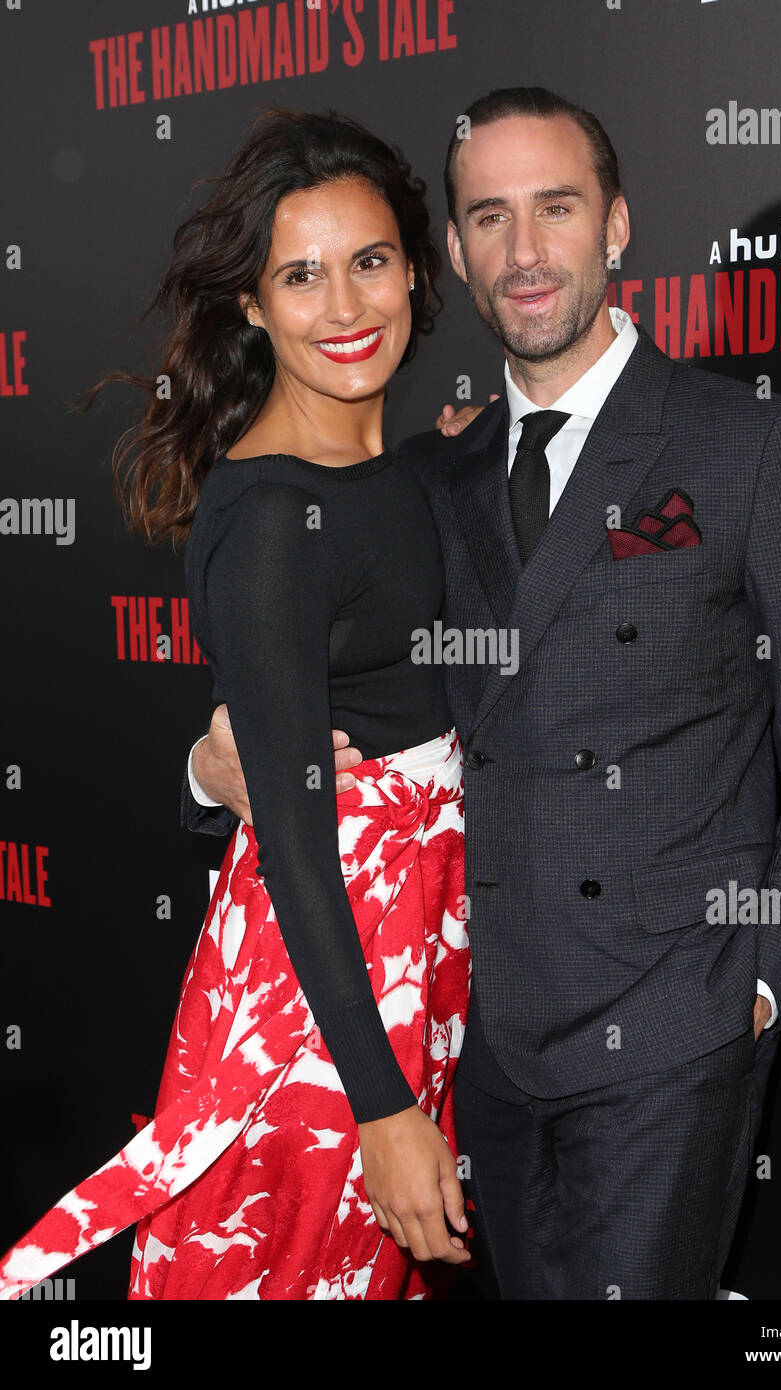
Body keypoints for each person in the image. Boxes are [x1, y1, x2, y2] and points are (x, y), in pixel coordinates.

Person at [185, 88, 781, 1300]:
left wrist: (766, 979)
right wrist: (210, 771)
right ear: (452, 256)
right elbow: (333, 701)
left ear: (617, 227)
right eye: (490, 219)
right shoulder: (426, 475)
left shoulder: (750, 447)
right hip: (476, 1049)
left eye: (556, 209)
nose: (525, 253)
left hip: (673, 1038)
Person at [0, 109, 472, 1302]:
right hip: (325, 1001)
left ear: (416, 269)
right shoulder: (267, 521)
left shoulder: (401, 470)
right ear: (253, 310)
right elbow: (299, 837)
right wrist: (381, 1105)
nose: (345, 305)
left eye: (369, 261)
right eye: (299, 277)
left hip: (422, 951)